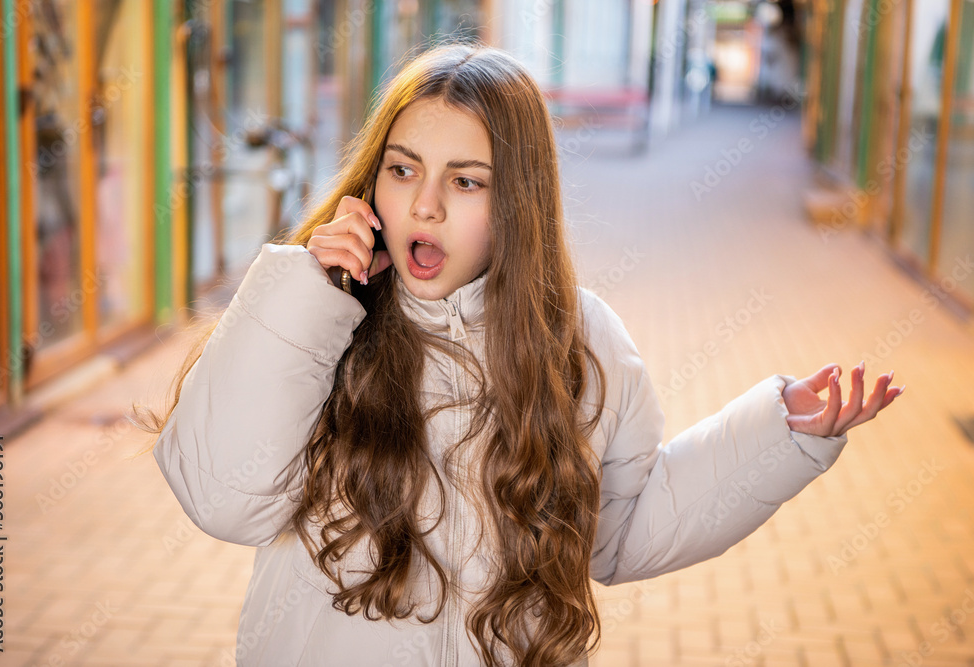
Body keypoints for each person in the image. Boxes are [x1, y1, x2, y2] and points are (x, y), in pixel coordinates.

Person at [136, 41, 903, 667]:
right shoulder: (322, 317)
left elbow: (622, 531)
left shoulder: (583, 340)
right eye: (402, 169)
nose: (425, 204)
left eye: (465, 181)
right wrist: (305, 297)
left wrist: (778, 434)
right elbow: (221, 496)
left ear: (516, 201)